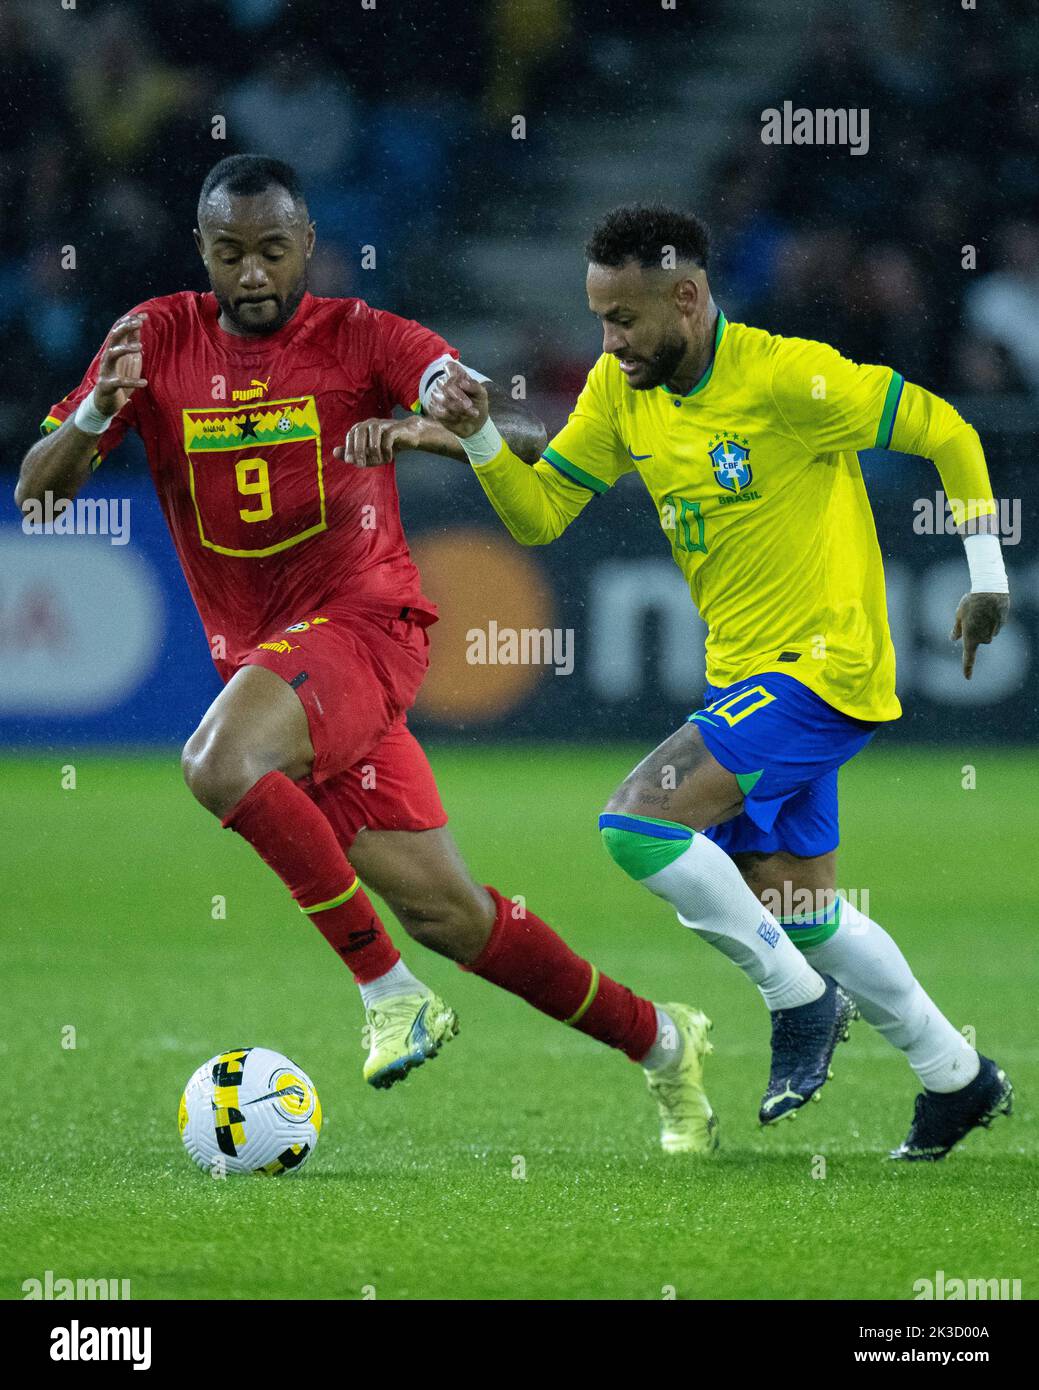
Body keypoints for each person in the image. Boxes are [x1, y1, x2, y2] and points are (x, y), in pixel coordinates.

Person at [16, 160, 718, 1156]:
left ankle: (390, 996)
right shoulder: (156, 339)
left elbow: (521, 433)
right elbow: (42, 494)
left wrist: (459, 425)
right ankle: (660, 1042)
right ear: (202, 252)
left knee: (217, 763)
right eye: (229, 253)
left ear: (307, 245)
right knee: (452, 914)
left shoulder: (364, 338)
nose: (251, 272)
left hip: (365, 627)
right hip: (277, 672)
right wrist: (95, 414)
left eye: (271, 249)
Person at [426, 203, 1014, 1159]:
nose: (607, 342)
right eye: (597, 318)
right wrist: (486, 439)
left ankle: (799, 1005)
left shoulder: (789, 376)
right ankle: (957, 1076)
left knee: (637, 823)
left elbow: (944, 428)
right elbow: (540, 516)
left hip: (824, 667)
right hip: (745, 676)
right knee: (799, 909)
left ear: (688, 298)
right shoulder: (624, 396)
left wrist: (986, 575)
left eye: (622, 320)